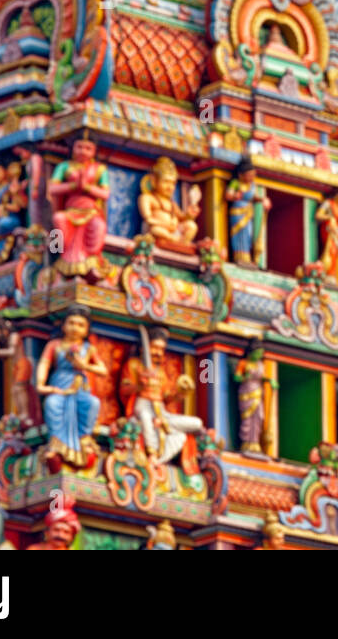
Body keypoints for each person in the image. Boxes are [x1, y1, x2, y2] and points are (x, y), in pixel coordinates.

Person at [119, 326, 202, 465]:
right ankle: (152, 453)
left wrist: (181, 393)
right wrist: (140, 386)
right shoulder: (134, 365)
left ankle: (161, 450)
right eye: (154, 347)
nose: (158, 352)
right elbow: (124, 389)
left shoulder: (160, 372)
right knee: (145, 418)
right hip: (142, 404)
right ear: (143, 349)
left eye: (161, 349)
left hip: (161, 411)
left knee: (197, 423)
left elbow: (167, 396)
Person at [36, 306, 107, 467]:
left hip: (80, 387)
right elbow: (44, 364)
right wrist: (40, 383)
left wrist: (85, 366)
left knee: (92, 404)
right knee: (53, 404)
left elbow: (103, 370)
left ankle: (84, 439)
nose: (75, 328)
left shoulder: (89, 348)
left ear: (87, 330)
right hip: (60, 384)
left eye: (80, 325)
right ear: (64, 326)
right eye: (71, 323)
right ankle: (56, 443)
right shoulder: (55, 345)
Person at [47, 138, 110, 277]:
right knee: (57, 219)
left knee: (99, 226)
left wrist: (86, 187)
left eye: (88, 148)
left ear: (94, 152)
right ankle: (56, 256)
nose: (83, 151)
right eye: (79, 147)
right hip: (70, 211)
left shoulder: (100, 169)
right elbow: (52, 189)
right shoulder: (64, 167)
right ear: (73, 149)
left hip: (91, 212)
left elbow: (105, 194)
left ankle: (93, 262)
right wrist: (74, 186)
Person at [226, 161, 271, 266]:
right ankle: (238, 257)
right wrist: (234, 196)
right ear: (240, 175)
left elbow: (253, 197)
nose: (252, 177)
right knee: (238, 234)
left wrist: (262, 199)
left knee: (248, 234)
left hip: (248, 212)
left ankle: (247, 258)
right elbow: (228, 195)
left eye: (253, 175)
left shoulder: (252, 185)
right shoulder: (236, 183)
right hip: (237, 211)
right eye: (249, 175)